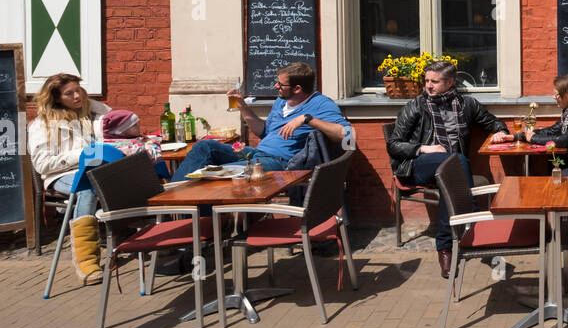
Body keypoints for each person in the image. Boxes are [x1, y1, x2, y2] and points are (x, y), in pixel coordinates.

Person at [387, 60, 512, 279]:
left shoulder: (467, 105)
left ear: (450, 82)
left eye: (434, 81)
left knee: (449, 178)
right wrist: (423, 148)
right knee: (455, 161)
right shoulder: (416, 105)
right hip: (418, 166)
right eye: (426, 81)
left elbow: (493, 122)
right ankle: (471, 217)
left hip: (451, 172)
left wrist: (500, 131)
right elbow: (394, 144)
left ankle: (445, 248)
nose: (428, 86)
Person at [173, 62, 352, 176]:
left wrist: (307, 119)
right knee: (205, 147)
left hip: (279, 162)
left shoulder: (320, 104)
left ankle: (199, 219)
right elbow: (264, 131)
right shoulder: (281, 102)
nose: (276, 86)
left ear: (297, 88)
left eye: (280, 84)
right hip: (257, 154)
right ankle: (175, 199)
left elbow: (349, 137)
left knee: (225, 173)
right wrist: (242, 106)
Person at [27, 73, 112, 284]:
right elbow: (42, 164)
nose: (77, 96)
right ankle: (86, 261)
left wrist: (90, 105)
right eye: (69, 93)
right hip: (60, 176)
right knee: (87, 184)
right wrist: (83, 156)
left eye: (78, 90)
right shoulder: (41, 125)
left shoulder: (87, 115)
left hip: (95, 170)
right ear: (56, 98)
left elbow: (111, 118)